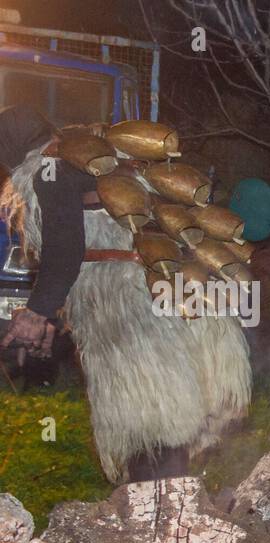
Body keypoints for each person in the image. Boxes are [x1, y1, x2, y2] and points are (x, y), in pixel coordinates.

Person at [0, 105, 250, 482]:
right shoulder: (100, 156)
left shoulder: (47, 170)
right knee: (168, 418)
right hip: (176, 294)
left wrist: (35, 315)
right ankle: (175, 512)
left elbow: (64, 252)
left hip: (130, 306)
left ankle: (159, 519)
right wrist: (50, 313)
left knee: (146, 422)